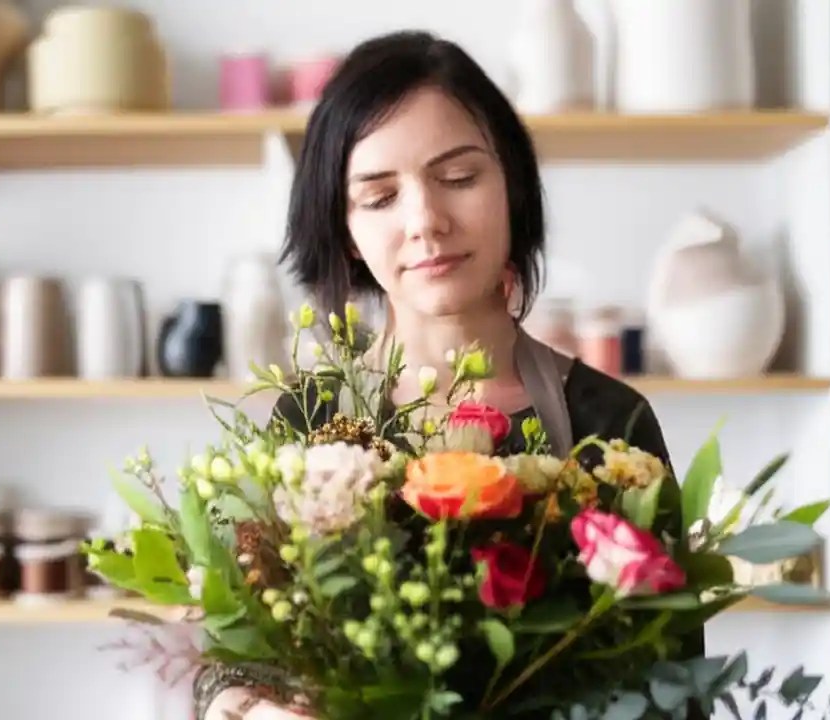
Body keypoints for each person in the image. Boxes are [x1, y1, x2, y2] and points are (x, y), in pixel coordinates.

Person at [194, 29, 690, 719]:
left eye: (458, 178)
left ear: (512, 186)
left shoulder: (610, 424)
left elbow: (678, 685)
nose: (425, 220)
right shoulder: (305, 424)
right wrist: (246, 708)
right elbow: (232, 656)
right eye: (378, 197)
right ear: (344, 231)